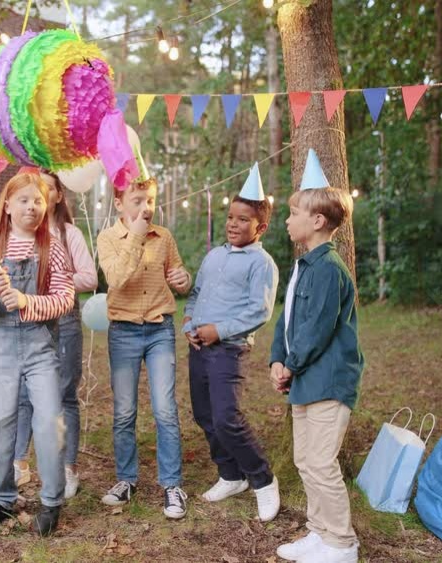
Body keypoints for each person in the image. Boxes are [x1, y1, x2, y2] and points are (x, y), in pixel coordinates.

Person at [0, 169, 75, 537]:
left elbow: (65, 298)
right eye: (24, 199)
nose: (32, 206)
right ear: (7, 205)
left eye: (39, 200)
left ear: (48, 206)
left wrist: (27, 300)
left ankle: (51, 501)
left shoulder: (52, 248)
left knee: (48, 421)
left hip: (38, 345)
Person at [270, 150, 364, 563]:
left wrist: (291, 363)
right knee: (305, 459)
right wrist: (277, 358)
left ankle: (342, 543)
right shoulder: (303, 266)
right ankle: (319, 532)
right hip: (306, 380)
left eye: (293, 213)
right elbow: (287, 318)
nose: (287, 220)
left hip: (327, 381)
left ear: (318, 222)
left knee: (322, 462)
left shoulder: (328, 268)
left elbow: (317, 329)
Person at [96, 151, 193, 519]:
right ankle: (126, 478)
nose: (146, 207)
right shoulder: (109, 239)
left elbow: (178, 273)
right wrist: (135, 236)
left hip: (158, 331)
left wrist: (184, 279)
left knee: (165, 410)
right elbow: (116, 279)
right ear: (119, 203)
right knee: (124, 412)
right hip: (122, 332)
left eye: (150, 200)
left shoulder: (164, 237)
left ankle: (172, 485)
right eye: (137, 201)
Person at [183, 164, 280, 522]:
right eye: (230, 217)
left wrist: (218, 331)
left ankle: (263, 480)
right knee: (205, 414)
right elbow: (195, 294)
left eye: (243, 220)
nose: (233, 224)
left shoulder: (262, 263)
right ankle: (230, 474)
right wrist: (190, 322)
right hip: (199, 347)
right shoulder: (214, 256)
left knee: (227, 417)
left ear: (261, 227)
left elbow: (260, 311)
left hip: (229, 350)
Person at [13, 171, 98, 499]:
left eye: (47, 189)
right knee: (24, 395)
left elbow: (89, 277)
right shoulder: (19, 233)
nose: (40, 194)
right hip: (28, 324)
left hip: (63, 323)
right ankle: (19, 465)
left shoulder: (69, 234)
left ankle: (68, 469)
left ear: (58, 196)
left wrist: (54, 280)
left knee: (64, 395)